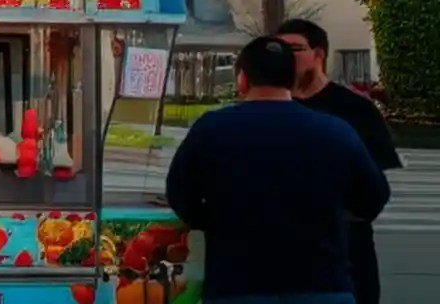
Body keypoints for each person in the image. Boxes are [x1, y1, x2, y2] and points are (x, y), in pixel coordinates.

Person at [166, 36, 390, 303]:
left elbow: (179, 194)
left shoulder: (211, 129)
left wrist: (214, 220)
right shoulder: (336, 132)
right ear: (293, 80)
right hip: (323, 287)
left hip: (235, 286)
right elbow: (374, 198)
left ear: (242, 80)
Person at [278, 18, 402, 304]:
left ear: (318, 54)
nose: (286, 58)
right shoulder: (270, 107)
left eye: (294, 49)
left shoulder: (356, 110)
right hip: (281, 249)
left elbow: (374, 188)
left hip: (344, 250)